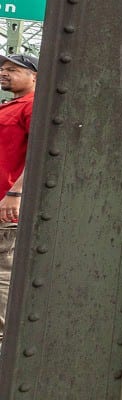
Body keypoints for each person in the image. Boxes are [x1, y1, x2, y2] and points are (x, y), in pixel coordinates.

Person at [0, 52, 37, 342]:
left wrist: (16, 193)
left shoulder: (33, 105)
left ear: (34, 77)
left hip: (7, 205)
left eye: (13, 70)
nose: (4, 73)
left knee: (3, 272)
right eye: (4, 69)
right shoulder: (10, 106)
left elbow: (39, 153)